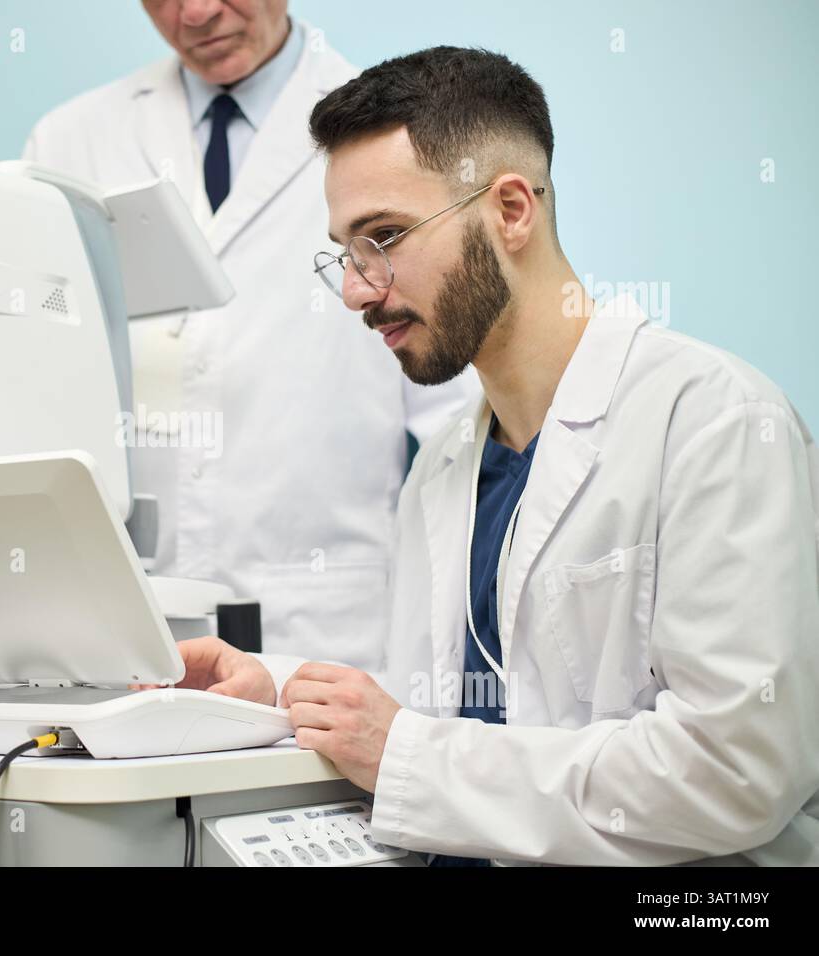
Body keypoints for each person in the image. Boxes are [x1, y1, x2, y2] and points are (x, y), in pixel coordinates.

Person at [168, 47, 819, 865]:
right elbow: (443, 708)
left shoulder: (714, 423)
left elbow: (736, 772)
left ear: (512, 208)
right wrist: (276, 690)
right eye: (346, 250)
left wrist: (403, 752)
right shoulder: (444, 467)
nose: (356, 290)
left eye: (386, 237)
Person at [24, 1, 476, 666]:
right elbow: (33, 388)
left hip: (328, 628)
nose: (199, 12)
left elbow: (462, 425)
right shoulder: (69, 142)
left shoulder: (402, 140)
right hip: (132, 625)